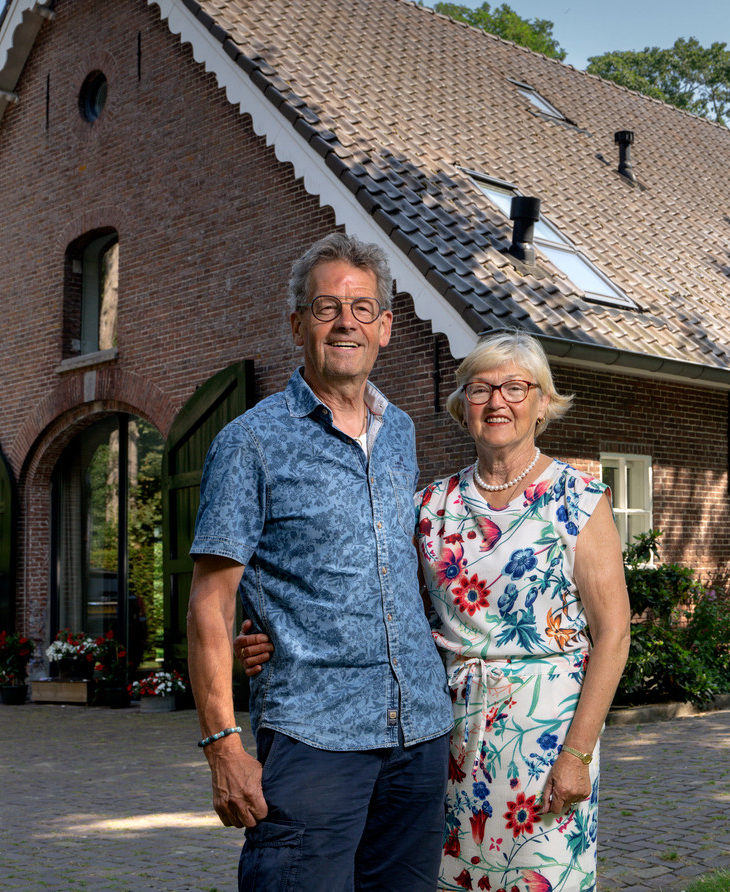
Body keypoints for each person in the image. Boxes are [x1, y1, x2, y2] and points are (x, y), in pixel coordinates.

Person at [240, 332, 631, 890]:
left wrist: (577, 753)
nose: (498, 402)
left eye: (516, 388)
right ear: (462, 405)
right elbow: (376, 598)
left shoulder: (579, 498)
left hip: (545, 738)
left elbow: (614, 633)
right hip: (444, 739)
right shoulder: (431, 505)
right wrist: (270, 634)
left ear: (543, 403)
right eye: (481, 389)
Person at [187, 232, 452, 892]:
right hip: (313, 738)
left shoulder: (402, 432)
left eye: (362, 308)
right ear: (297, 323)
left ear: (385, 327)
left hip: (417, 731)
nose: (345, 322)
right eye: (326, 306)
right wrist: (222, 745)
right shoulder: (249, 441)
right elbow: (211, 603)